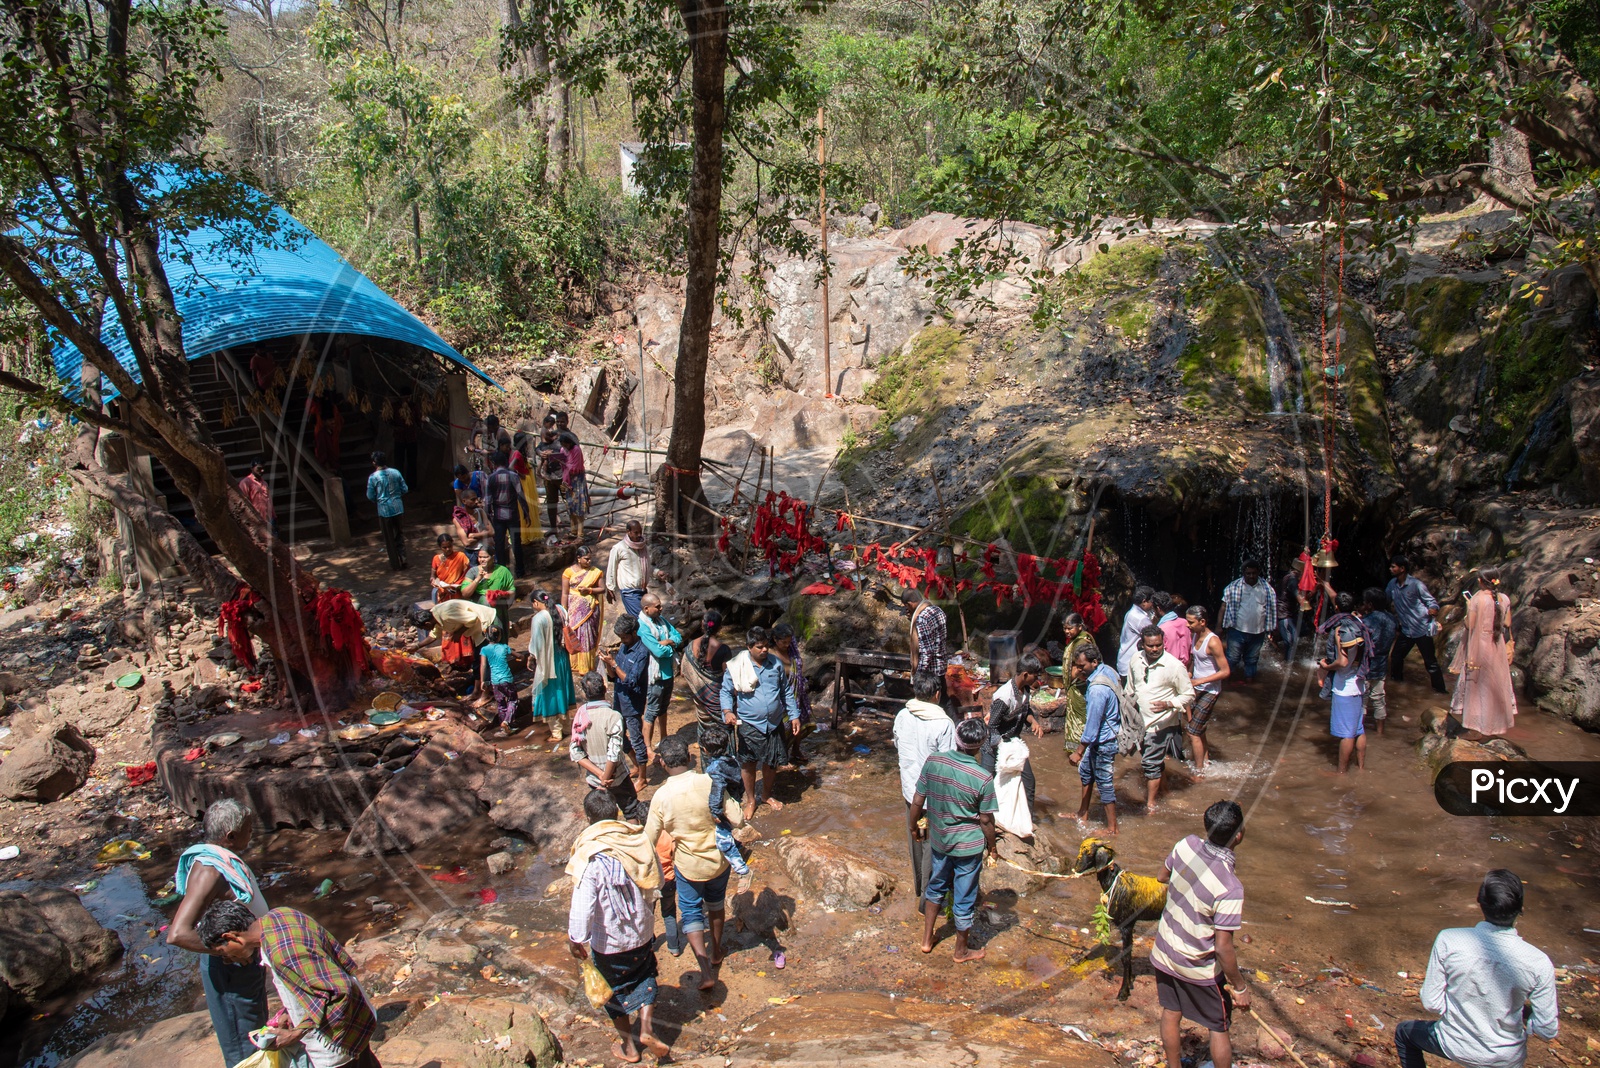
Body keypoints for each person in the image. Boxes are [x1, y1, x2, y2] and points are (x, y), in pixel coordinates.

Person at [1395, 869, 1557, 1068]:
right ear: (1521, 908)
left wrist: (1461, 1007)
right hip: (1506, 1059)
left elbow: (1431, 1003)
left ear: (1480, 901)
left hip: (1454, 1044)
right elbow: (1547, 1030)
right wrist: (1525, 1018)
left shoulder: (1449, 939)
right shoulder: (1539, 962)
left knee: (1404, 1033)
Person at [198, 900, 381, 1068]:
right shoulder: (280, 915)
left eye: (224, 952)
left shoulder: (281, 954)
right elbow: (314, 974)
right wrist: (289, 1012)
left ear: (232, 937)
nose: (228, 959)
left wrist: (296, 1033)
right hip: (357, 1016)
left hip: (336, 1039)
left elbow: (338, 992)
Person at [567, 790, 670, 1066]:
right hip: (641, 930)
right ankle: (647, 1029)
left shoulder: (590, 857)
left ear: (590, 819)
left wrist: (576, 939)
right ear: (616, 813)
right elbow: (656, 880)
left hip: (609, 941)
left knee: (614, 990)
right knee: (645, 973)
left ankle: (629, 1046)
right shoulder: (638, 841)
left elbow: (583, 906)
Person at [168, 799, 269, 1068]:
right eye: (249, 829)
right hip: (231, 965)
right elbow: (177, 933)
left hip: (243, 957)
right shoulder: (209, 870)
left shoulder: (221, 861)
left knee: (255, 1025)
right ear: (231, 836)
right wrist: (230, 951)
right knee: (242, 1036)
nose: (252, 833)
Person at [643, 735, 745, 992]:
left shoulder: (661, 796)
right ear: (689, 758)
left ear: (663, 763)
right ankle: (717, 951)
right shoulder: (710, 782)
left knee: (690, 912)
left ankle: (706, 970)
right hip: (718, 861)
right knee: (716, 905)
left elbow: (648, 840)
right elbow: (739, 819)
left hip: (688, 865)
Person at [1152, 800, 1250, 1068]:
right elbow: (1223, 948)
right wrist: (1239, 987)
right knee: (1219, 1025)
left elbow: (1162, 876)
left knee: (1172, 1011)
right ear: (1239, 835)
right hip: (1197, 966)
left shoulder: (1186, 845)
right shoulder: (1230, 887)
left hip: (1164, 950)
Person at [909, 717, 998, 963]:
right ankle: (961, 951)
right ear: (979, 745)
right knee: (964, 896)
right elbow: (986, 821)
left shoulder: (934, 761)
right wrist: (992, 847)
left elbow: (918, 800)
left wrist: (913, 826)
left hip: (940, 841)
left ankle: (927, 940)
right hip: (968, 848)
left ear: (957, 738)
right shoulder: (983, 777)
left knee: (935, 887)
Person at [719, 625, 801, 819]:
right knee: (748, 763)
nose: (764, 650)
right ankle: (750, 800)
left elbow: (786, 691)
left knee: (771, 762)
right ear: (749, 647)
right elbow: (725, 691)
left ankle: (765, 795)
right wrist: (727, 712)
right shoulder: (737, 666)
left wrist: (795, 714)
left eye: (765, 646)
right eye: (759, 647)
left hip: (774, 722)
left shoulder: (776, 664)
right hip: (749, 723)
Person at [893, 671, 957, 897]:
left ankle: (919, 887)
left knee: (915, 839)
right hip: (934, 795)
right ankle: (928, 897)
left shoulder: (902, 715)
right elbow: (949, 764)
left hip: (910, 789)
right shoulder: (943, 723)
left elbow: (898, 745)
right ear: (937, 695)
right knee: (933, 845)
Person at [1126, 625, 1194, 813]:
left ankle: (1151, 805)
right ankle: (1164, 791)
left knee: (1150, 764)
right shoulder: (1135, 659)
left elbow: (1189, 695)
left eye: (1158, 645)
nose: (1155, 649)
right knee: (1153, 759)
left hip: (1161, 723)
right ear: (1143, 644)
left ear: (1163, 643)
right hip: (1140, 723)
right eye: (1150, 646)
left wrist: (1169, 704)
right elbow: (1130, 689)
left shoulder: (1174, 666)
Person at [1450, 567, 1518, 737]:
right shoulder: (1504, 598)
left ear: (1480, 581)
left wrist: (1468, 608)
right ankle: (1494, 727)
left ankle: (1476, 727)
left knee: (1477, 684)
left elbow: (1469, 625)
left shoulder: (1477, 600)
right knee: (1495, 683)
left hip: (1479, 647)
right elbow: (1507, 623)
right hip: (1497, 646)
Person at [570, 671, 645, 821]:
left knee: (603, 814)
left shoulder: (581, 714)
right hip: (617, 777)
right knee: (630, 810)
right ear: (605, 688)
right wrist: (606, 777)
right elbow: (614, 753)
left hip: (594, 779)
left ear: (585, 694)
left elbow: (575, 752)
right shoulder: (613, 716)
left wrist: (599, 775)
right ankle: (633, 840)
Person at [1068, 643, 1121, 834]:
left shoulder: (1097, 689)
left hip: (1105, 741)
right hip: (1102, 737)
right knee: (1086, 772)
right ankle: (1082, 813)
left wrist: (1078, 752)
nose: (1078, 670)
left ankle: (1112, 828)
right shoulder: (1109, 670)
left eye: (1082, 666)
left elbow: (1092, 725)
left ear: (1094, 662)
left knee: (1104, 782)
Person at [981, 656, 1045, 810]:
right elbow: (992, 727)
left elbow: (1026, 710)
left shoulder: (1026, 690)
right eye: (1035, 676)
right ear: (1025, 675)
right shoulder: (1004, 697)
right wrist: (1003, 749)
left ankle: (1027, 820)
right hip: (993, 747)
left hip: (1012, 743)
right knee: (986, 785)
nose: (1037, 680)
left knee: (1029, 782)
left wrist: (1033, 721)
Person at [1317, 591, 1369, 774]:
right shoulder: (1359, 624)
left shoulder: (1341, 629)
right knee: (1359, 729)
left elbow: (1343, 661)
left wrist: (1326, 666)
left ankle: (1341, 773)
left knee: (1347, 734)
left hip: (1344, 687)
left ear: (1336, 607)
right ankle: (1361, 769)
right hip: (1359, 684)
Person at [698, 723, 754, 892]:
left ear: (705, 750)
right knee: (728, 830)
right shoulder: (731, 760)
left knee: (722, 839)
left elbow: (717, 788)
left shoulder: (714, 769)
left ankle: (743, 871)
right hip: (734, 799)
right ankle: (740, 848)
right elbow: (739, 779)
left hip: (724, 805)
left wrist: (715, 810)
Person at [600, 613, 651, 790]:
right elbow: (614, 677)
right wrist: (608, 664)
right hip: (619, 700)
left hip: (633, 703)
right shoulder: (623, 647)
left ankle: (643, 778)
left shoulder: (642, 652)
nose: (622, 640)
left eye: (625, 637)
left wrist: (614, 664)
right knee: (619, 735)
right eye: (620, 638)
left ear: (634, 633)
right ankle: (636, 764)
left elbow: (631, 680)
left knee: (637, 739)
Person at [1388, 554, 1447, 693]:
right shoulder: (1392, 584)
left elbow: (1431, 601)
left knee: (1430, 663)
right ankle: (1397, 684)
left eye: (1393, 566)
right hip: (1407, 630)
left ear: (1402, 569)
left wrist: (1434, 609)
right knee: (1396, 657)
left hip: (1421, 629)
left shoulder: (1416, 585)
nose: (1390, 569)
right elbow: (1384, 599)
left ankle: (1441, 691)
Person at [1185, 605, 1230, 776]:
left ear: (1202, 622)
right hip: (1197, 687)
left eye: (1191, 622)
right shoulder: (1195, 635)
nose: (1187, 625)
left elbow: (1225, 671)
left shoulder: (1213, 641)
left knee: (1192, 731)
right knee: (1199, 727)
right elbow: (1194, 660)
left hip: (1210, 690)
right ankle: (1205, 759)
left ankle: (1199, 772)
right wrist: (1189, 673)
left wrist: (1200, 680)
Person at [637, 594, 682, 761]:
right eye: (657, 606)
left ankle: (664, 738)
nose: (661, 608)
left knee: (663, 708)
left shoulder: (662, 620)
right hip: (653, 675)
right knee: (651, 712)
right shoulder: (642, 626)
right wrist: (669, 645)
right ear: (646, 609)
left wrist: (667, 641)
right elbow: (657, 651)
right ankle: (648, 747)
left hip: (667, 672)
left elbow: (678, 636)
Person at [1219, 561, 1277, 683]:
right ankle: (1226, 681)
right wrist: (1219, 627)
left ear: (1258, 573)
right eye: (1248, 573)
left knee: (1252, 659)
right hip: (1237, 630)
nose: (1251, 576)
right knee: (1232, 658)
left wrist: (1272, 630)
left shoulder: (1267, 589)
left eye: (1254, 573)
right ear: (1244, 573)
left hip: (1258, 632)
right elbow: (1224, 606)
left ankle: (1249, 682)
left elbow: (1271, 610)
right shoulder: (1233, 587)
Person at [528, 588, 573, 742]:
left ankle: (556, 732)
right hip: (562, 657)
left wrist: (531, 657)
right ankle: (567, 727)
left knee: (551, 693)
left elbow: (536, 645)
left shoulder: (539, 618)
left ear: (535, 602)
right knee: (563, 690)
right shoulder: (560, 609)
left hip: (549, 660)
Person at [680, 610, 734, 738]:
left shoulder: (691, 645)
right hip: (718, 699)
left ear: (702, 625)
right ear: (720, 628)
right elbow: (728, 676)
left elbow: (683, 672)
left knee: (705, 732)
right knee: (724, 732)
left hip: (701, 697)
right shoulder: (723, 649)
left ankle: (706, 754)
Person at [770, 623, 812, 767]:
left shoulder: (792, 651)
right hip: (779, 698)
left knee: (798, 725)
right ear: (775, 639)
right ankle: (782, 756)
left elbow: (799, 666)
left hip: (796, 695)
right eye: (784, 642)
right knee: (783, 728)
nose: (787, 645)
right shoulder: (770, 655)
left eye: (789, 642)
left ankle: (796, 750)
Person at [484, 451, 531, 577]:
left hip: (498, 516)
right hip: (513, 514)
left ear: (494, 464)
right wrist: (527, 512)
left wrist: (488, 516)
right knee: (516, 543)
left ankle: (502, 573)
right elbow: (521, 496)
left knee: (499, 544)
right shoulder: (513, 476)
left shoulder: (491, 478)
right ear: (506, 462)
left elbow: (488, 501)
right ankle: (520, 571)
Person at [563, 544, 606, 676]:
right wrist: (563, 610)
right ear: (578, 558)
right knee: (575, 634)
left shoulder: (596, 572)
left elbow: (602, 589)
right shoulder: (568, 573)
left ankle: (586, 665)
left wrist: (590, 590)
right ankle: (574, 663)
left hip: (590, 611)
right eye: (586, 559)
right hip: (574, 610)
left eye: (590, 559)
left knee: (588, 636)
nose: (589, 561)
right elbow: (565, 593)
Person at [1359, 587, 1398, 734]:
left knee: (1362, 700)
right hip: (1381, 664)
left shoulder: (1367, 621)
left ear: (1369, 604)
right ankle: (1380, 732)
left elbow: (1361, 643)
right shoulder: (1391, 619)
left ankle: (1359, 731)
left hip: (1366, 664)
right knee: (1379, 699)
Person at [906, 589, 949, 708]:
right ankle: (954, 724)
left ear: (909, 604)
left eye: (907, 607)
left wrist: (918, 674)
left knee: (930, 704)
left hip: (931, 672)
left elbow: (926, 652)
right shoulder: (938, 610)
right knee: (944, 698)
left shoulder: (922, 618)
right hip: (941, 665)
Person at [365, 451, 408, 571]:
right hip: (398, 508)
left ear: (374, 463)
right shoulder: (396, 472)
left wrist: (378, 500)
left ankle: (395, 563)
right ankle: (403, 558)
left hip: (384, 510)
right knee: (399, 534)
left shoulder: (373, 477)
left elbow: (370, 495)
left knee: (389, 538)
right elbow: (404, 488)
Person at [462, 546, 516, 636]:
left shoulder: (503, 571)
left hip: (498, 613)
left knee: (498, 638)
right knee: (482, 641)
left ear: (493, 557)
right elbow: (465, 593)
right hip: (480, 615)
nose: (482, 560)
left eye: (485, 557)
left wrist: (501, 594)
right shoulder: (473, 572)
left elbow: (512, 592)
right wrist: (478, 579)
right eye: (480, 557)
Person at [1058, 613, 1094, 744]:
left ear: (1079, 627)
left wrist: (1071, 678)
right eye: (1065, 628)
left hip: (1079, 687)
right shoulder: (1079, 639)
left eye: (1070, 628)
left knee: (1080, 720)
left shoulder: (1082, 642)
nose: (1067, 631)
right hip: (1076, 686)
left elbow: (1081, 666)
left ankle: (1080, 750)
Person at [480, 624, 518, 736]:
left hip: (495, 681)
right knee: (512, 700)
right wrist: (522, 657)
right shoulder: (504, 647)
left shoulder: (484, 649)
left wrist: (483, 681)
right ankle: (507, 722)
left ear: (486, 636)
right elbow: (517, 655)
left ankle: (504, 726)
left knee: (501, 703)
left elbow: (483, 665)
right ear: (499, 636)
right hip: (507, 679)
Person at [607, 521, 651, 618]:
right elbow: (611, 568)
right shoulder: (619, 548)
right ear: (628, 532)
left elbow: (647, 565)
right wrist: (610, 587)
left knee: (646, 618)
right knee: (641, 619)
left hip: (642, 590)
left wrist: (656, 573)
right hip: (629, 592)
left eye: (640, 532)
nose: (639, 535)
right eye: (636, 533)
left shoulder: (643, 546)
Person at [1118, 586, 1157, 679]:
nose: (1153, 605)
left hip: (1124, 660)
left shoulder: (1131, 612)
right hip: (1131, 664)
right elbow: (1154, 634)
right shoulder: (1139, 618)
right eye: (1151, 602)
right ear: (1144, 601)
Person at [535, 415, 566, 534]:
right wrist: (540, 453)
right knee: (551, 504)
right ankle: (553, 528)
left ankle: (574, 529)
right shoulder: (543, 442)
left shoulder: (561, 440)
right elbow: (537, 448)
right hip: (548, 477)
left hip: (562, 476)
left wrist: (552, 454)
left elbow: (566, 454)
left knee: (568, 501)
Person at [561, 431, 590, 542]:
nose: (565, 447)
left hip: (577, 480)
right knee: (571, 506)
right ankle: (573, 531)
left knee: (579, 506)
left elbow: (576, 468)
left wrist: (564, 464)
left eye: (566, 444)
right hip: (568, 481)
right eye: (563, 444)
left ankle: (580, 533)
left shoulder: (576, 450)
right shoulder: (563, 450)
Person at [430, 533, 471, 603]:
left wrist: (461, 584)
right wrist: (433, 580)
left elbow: (468, 573)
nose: (448, 549)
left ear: (452, 544)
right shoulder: (436, 559)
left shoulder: (460, 556)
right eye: (444, 547)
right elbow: (433, 576)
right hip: (443, 592)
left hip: (457, 590)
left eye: (450, 546)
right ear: (440, 547)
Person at [309, 392, 343, 472]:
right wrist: (327, 467)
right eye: (331, 420)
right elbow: (322, 452)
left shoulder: (331, 432)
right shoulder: (321, 434)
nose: (333, 422)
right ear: (324, 422)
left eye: (334, 420)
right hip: (329, 466)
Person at [1156, 592, 1193, 665]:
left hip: (1169, 668)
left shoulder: (1161, 629)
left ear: (1158, 609)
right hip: (1186, 667)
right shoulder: (1186, 623)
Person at [239, 458, 275, 531]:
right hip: (256, 520)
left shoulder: (264, 483)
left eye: (263, 468)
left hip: (269, 518)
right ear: (252, 468)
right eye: (259, 468)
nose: (262, 471)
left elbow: (269, 500)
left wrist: (274, 516)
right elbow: (243, 502)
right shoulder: (246, 482)